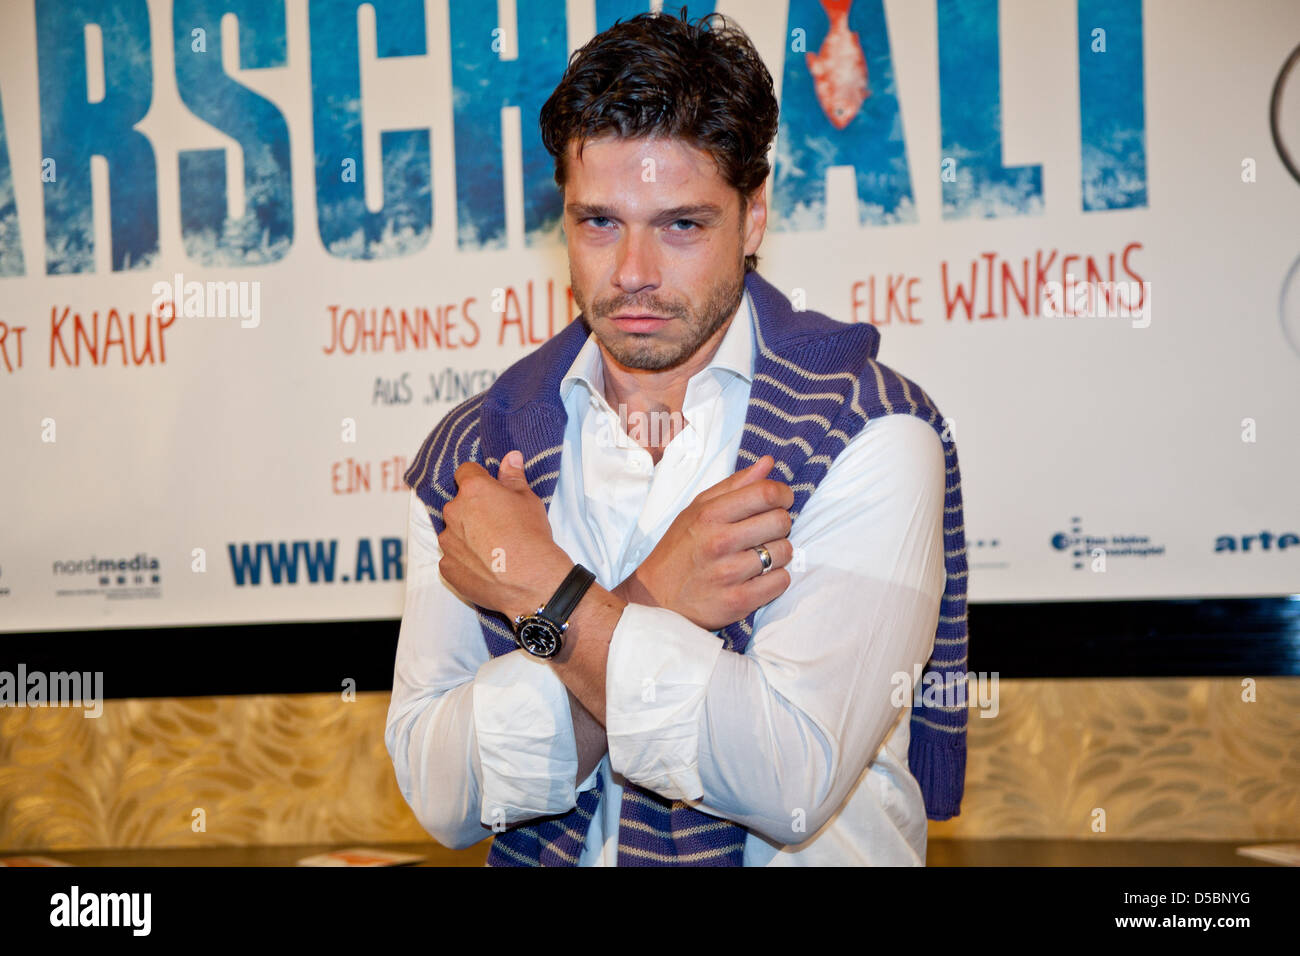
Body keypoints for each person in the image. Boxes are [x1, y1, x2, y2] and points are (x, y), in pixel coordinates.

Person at [385, 7, 969, 866]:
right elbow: (443, 799)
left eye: (682, 225)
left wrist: (549, 596)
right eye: (600, 222)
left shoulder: (870, 432)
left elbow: (789, 778)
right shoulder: (474, 456)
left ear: (755, 217)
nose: (633, 274)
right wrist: (658, 594)